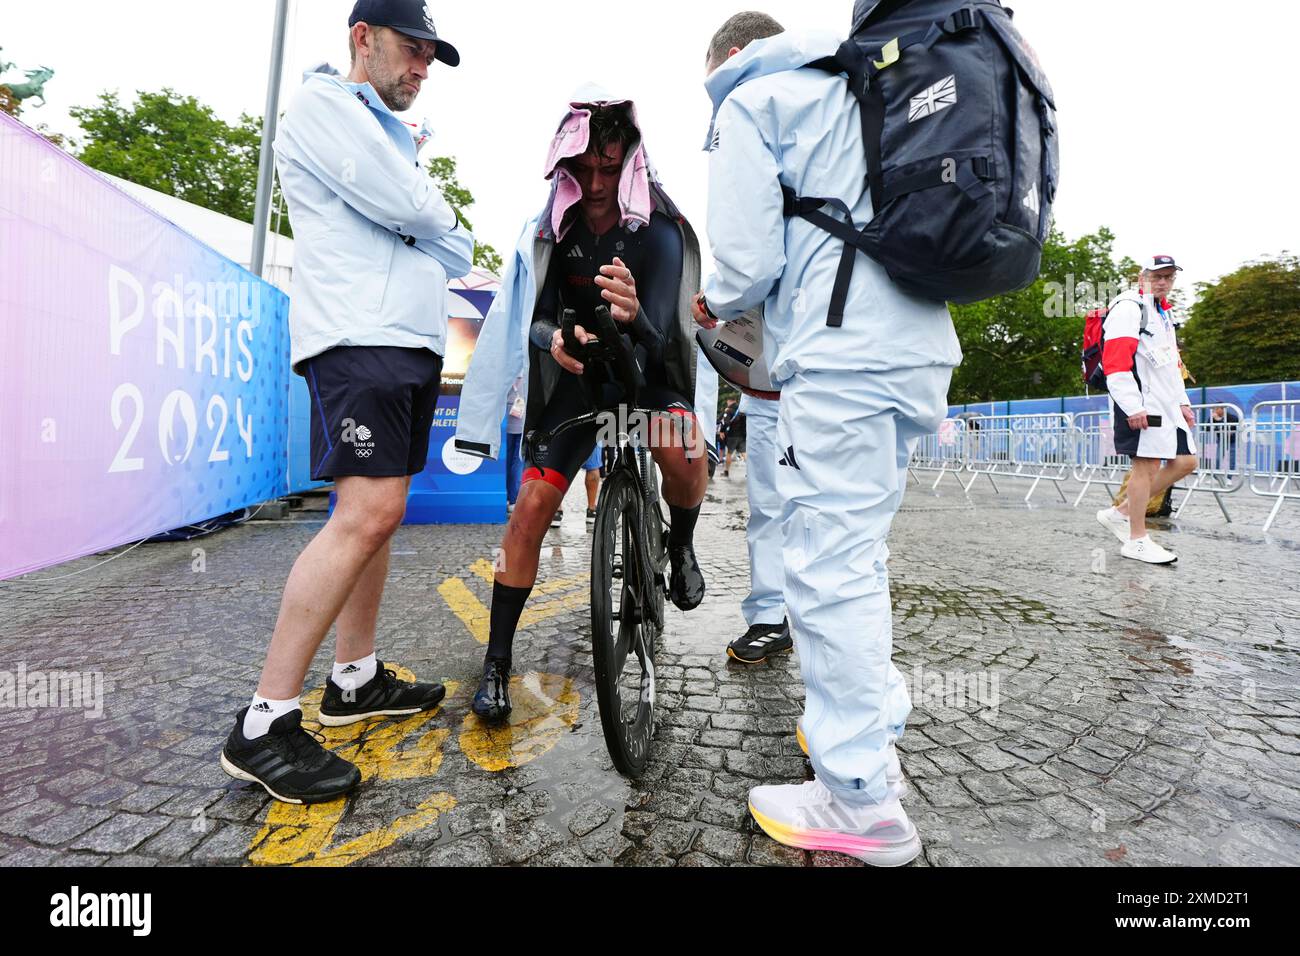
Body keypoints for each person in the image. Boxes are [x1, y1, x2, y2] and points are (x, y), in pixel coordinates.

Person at [692, 13, 963, 866]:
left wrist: (720, 303)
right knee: (861, 553)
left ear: (728, 57)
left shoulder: (756, 99)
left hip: (841, 353)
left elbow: (738, 266)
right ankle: (870, 732)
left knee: (824, 564)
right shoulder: (869, 84)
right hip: (914, 346)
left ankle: (858, 798)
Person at [219, 0, 473, 805]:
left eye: (432, 55)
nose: (423, 66)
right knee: (362, 514)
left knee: (381, 511)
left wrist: (426, 225)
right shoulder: (326, 107)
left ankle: (355, 678)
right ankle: (263, 721)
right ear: (364, 39)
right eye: (413, 49)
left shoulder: (385, 130)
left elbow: (437, 231)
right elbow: (415, 214)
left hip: (400, 337)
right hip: (358, 336)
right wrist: (426, 223)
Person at [454, 87, 714, 722]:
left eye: (609, 168)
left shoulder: (658, 228)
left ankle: (679, 545)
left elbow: (665, 333)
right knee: (531, 511)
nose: (596, 183)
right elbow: (536, 320)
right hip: (579, 379)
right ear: (564, 166)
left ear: (628, 163)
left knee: (682, 448)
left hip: (648, 374)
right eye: (584, 168)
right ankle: (496, 662)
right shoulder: (556, 228)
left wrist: (633, 316)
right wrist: (556, 341)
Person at [1095, 256, 1197, 564]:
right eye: (1157, 276)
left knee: (1185, 461)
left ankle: (1121, 513)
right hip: (1142, 403)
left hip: (1167, 404)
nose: (1163, 282)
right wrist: (1132, 406)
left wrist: (1183, 402)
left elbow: (1171, 364)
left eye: (1169, 277)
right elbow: (1115, 363)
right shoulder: (1129, 307)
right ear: (1142, 276)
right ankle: (1137, 539)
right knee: (1147, 466)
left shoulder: (1162, 312)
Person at [724, 393, 790, 663]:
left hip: (840, 384)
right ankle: (769, 617)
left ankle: (841, 622)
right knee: (766, 508)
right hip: (766, 395)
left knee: (840, 511)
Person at [504, 375, 525, 513]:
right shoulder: (527, 371)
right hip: (521, 420)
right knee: (517, 461)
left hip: (506, 418)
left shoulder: (506, 369)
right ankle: (514, 499)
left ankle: (507, 496)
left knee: (507, 459)